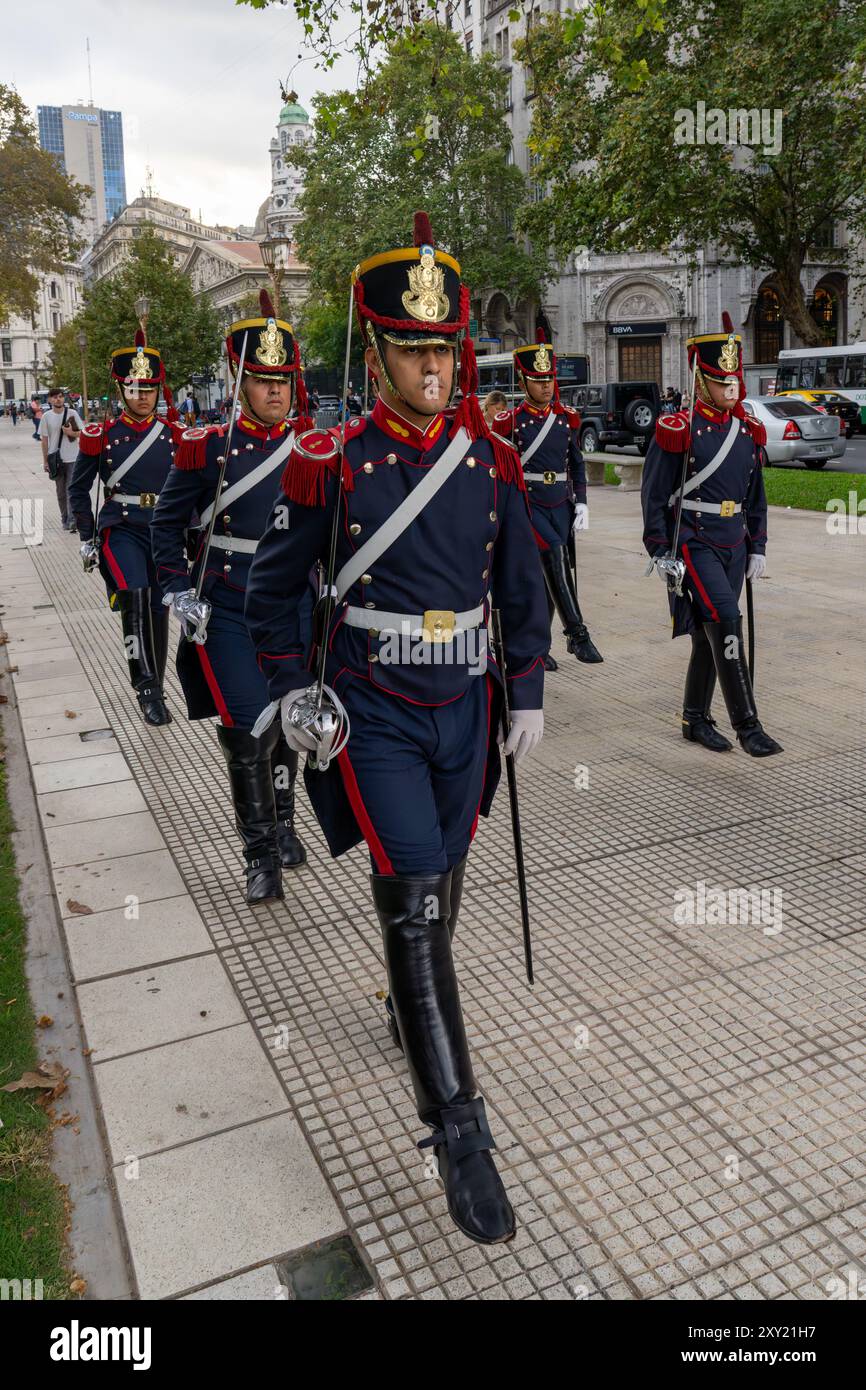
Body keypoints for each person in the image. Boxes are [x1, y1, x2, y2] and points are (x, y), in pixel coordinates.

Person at [244, 212, 549, 1246]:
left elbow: (519, 584)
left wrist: (528, 688)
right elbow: (271, 593)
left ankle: (406, 1004)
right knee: (412, 897)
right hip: (372, 705)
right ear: (373, 350)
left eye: (442, 348)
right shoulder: (328, 461)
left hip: (462, 704)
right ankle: (459, 1128)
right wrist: (290, 691)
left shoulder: (490, 457)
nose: (430, 365)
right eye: (411, 347)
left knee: (443, 880)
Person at [151, 292, 311, 904]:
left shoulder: (315, 450)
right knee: (247, 729)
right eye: (264, 381)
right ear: (240, 383)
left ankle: (287, 819)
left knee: (286, 722)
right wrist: (175, 590)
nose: (277, 393)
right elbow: (167, 525)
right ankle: (260, 851)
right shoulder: (208, 448)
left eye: (284, 381)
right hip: (229, 605)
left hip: (291, 607)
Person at [641, 311, 782, 757]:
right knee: (725, 619)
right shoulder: (678, 432)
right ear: (702, 380)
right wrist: (660, 548)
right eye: (722, 383)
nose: (730, 390)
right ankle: (748, 725)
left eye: (734, 382)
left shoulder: (747, 431)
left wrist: (757, 545)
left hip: (733, 543)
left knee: (708, 634)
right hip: (694, 540)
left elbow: (754, 497)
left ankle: (694, 719)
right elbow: (654, 494)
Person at [68, 330, 182, 726]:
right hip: (121, 529)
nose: (143, 395)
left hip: (163, 533)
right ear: (121, 389)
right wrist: (86, 536)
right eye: (135, 388)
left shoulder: (175, 436)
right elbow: (78, 489)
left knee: (158, 608)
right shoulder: (102, 437)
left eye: (149, 388)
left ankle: (159, 682)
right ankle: (146, 688)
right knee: (134, 595)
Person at [491, 332, 603, 665]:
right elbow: (499, 469)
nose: (546, 386)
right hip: (529, 504)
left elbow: (577, 463)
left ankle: (539, 648)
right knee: (553, 557)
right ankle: (577, 634)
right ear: (524, 382)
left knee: (552, 578)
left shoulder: (565, 419)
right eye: (539, 380)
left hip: (560, 505)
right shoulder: (509, 422)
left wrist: (581, 502)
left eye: (550, 379)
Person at [40, 388, 84, 531]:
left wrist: (71, 432)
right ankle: (64, 518)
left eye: (60, 397)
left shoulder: (72, 413)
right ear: (49, 400)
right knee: (60, 492)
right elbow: (44, 440)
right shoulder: (46, 416)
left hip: (73, 458)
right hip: (56, 459)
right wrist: (45, 460)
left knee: (70, 489)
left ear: (63, 399)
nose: (58, 399)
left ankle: (72, 520)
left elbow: (82, 434)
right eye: (54, 397)